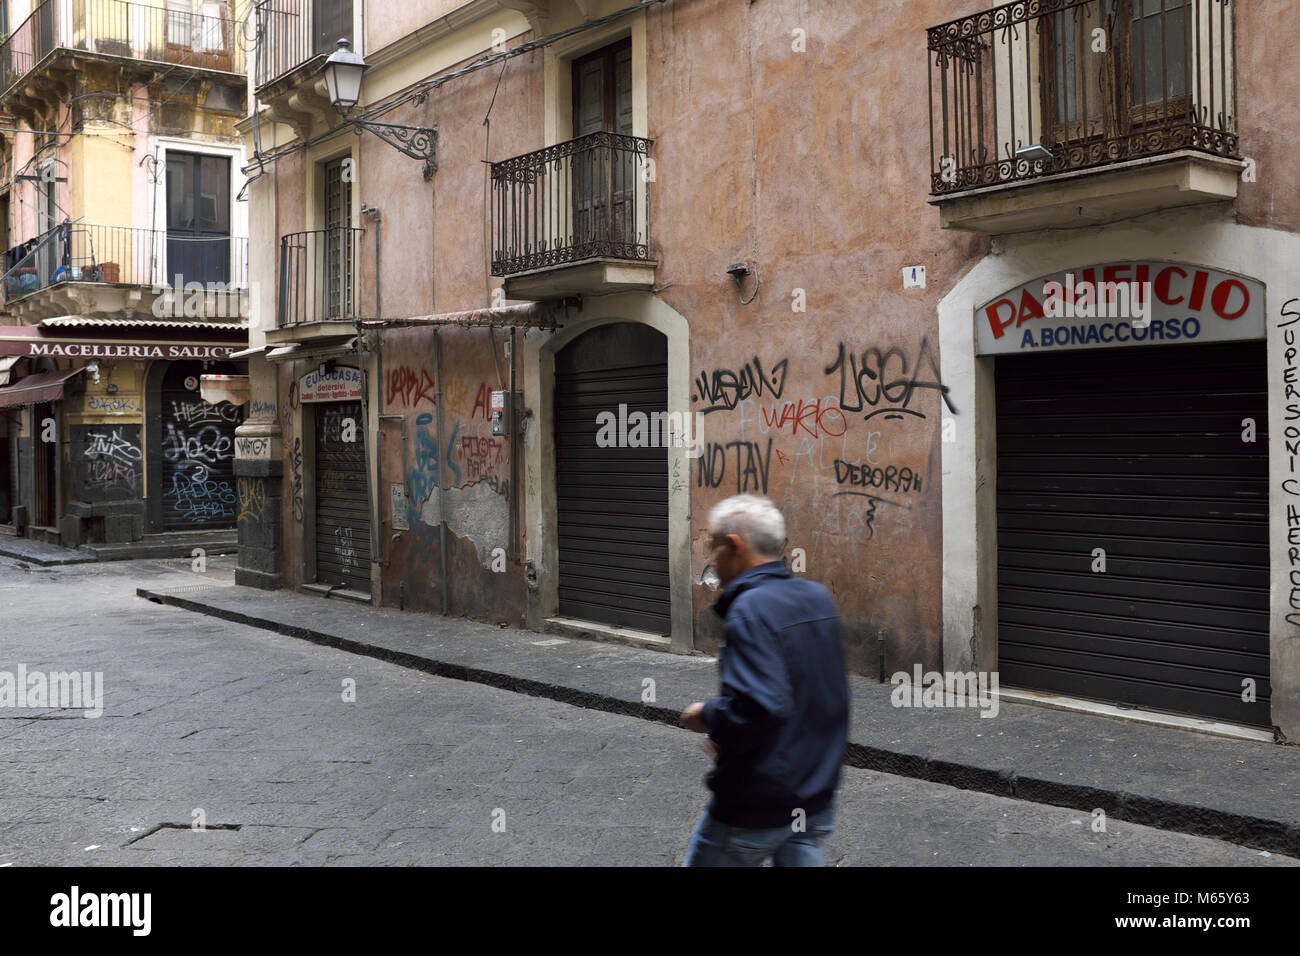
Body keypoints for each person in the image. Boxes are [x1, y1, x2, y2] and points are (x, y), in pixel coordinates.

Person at [680, 494, 850, 866]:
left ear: (735, 546)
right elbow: (825, 701)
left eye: (714, 549)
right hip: (815, 799)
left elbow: (754, 710)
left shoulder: (750, 609)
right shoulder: (816, 598)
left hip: (755, 808)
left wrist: (705, 715)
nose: (711, 561)